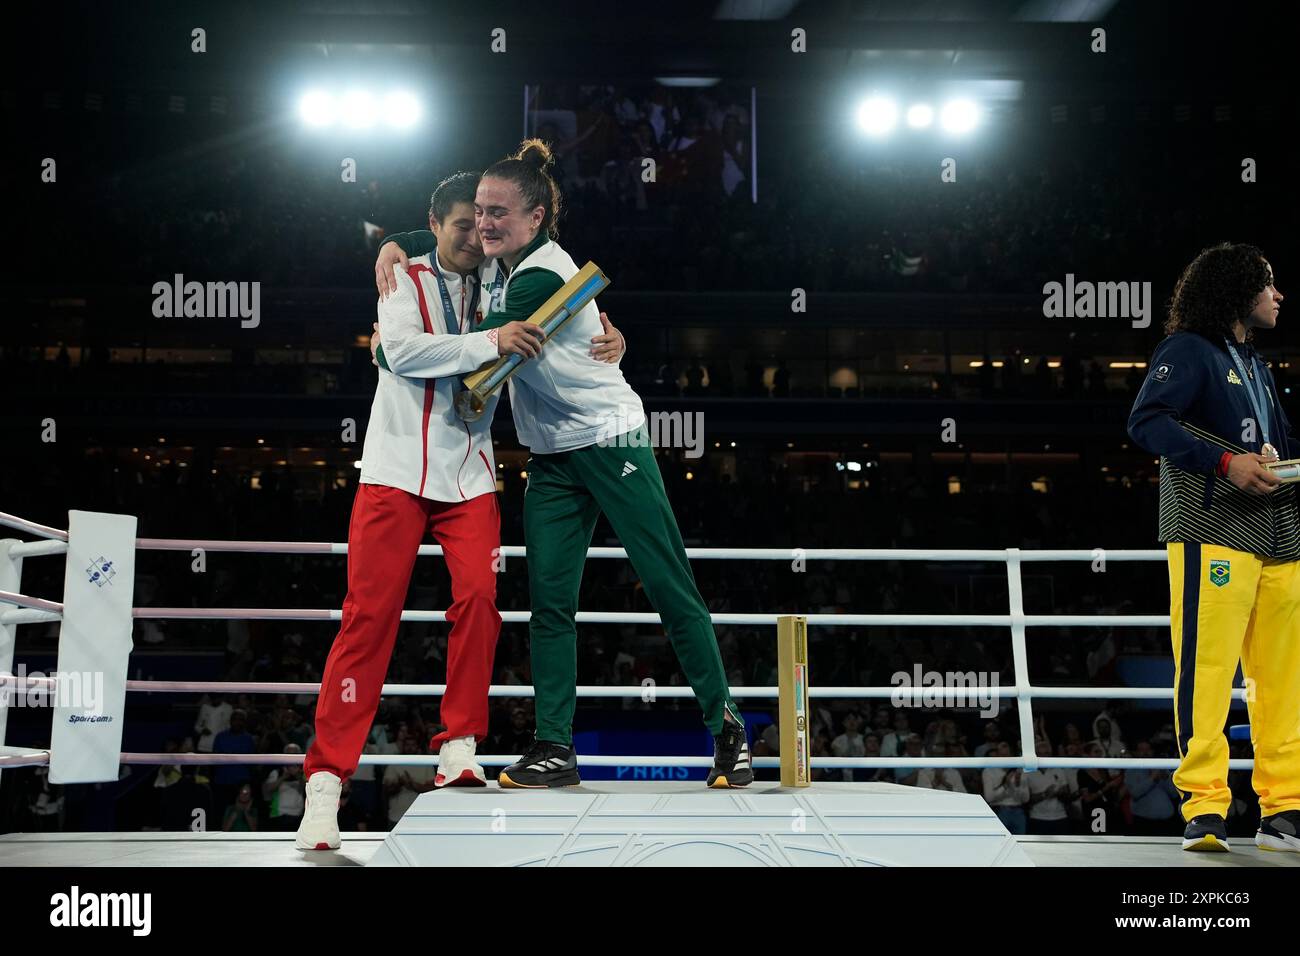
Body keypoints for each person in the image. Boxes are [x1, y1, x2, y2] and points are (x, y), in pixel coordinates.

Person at [374, 139, 750, 789]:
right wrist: (392, 241)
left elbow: (482, 352)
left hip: (611, 443)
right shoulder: (502, 263)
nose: (484, 224)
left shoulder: (543, 275)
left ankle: (729, 733)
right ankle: (554, 747)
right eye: (479, 212)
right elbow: (445, 236)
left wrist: (393, 349)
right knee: (549, 604)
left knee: (666, 586)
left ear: (537, 219)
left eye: (499, 214)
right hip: (550, 460)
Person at [297, 172, 550, 851]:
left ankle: (459, 746)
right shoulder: (400, 277)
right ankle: (324, 786)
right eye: (461, 225)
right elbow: (402, 353)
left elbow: (565, 276)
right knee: (368, 622)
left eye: (484, 225)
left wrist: (611, 332)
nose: (476, 236)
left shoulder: (507, 274)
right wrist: (489, 343)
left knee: (480, 601)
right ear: (433, 225)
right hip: (393, 474)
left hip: (469, 476)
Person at [1128, 242, 1299, 853]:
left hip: (1278, 533)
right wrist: (1227, 462)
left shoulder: (1254, 363)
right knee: (1206, 673)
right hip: (1213, 530)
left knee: (1283, 679)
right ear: (1236, 290)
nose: (1278, 295)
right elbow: (1147, 420)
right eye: (1269, 284)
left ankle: (1284, 810)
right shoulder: (1189, 350)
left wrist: (1282, 462)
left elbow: (1272, 442)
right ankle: (1204, 807)